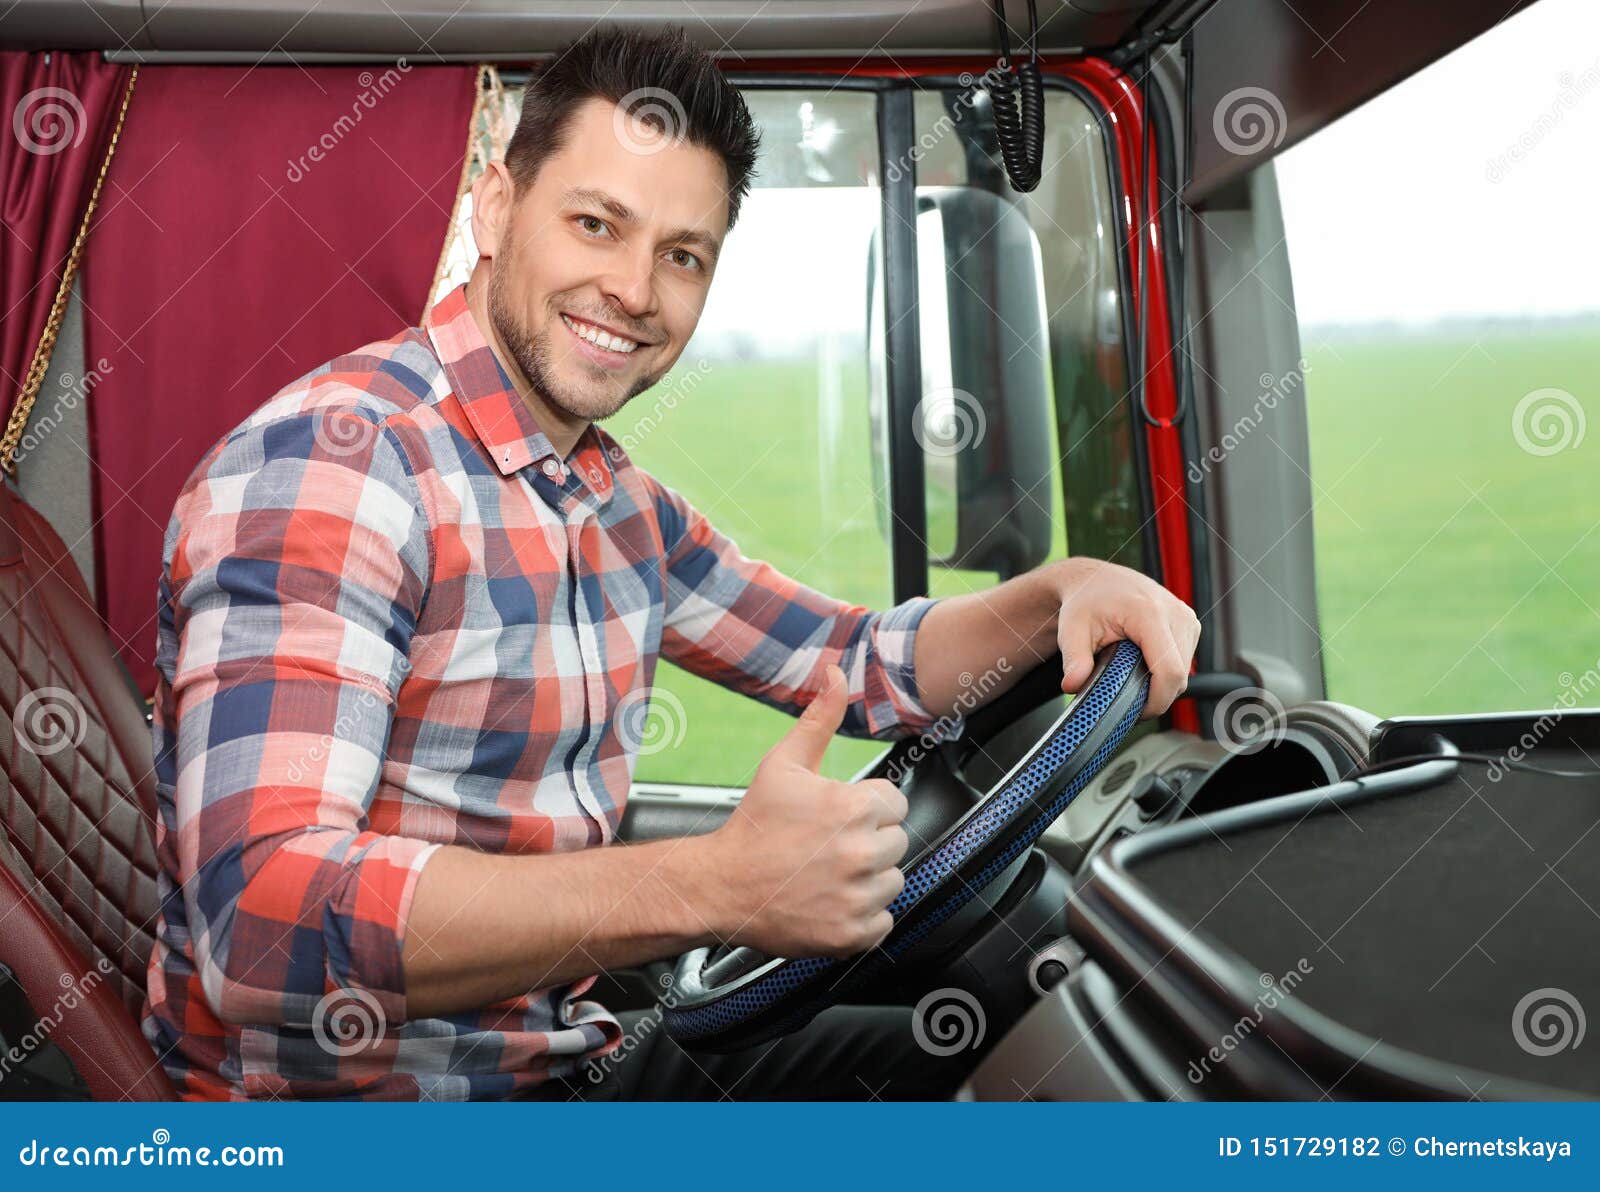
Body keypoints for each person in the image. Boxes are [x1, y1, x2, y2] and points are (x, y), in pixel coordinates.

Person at [140, 24, 1200, 1101]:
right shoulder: (336, 466)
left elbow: (855, 661)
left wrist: (1063, 590)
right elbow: (261, 924)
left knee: (1014, 1053)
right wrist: (713, 885)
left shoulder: (610, 501)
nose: (636, 290)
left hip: (562, 1058)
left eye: (682, 255)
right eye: (596, 224)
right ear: (496, 209)